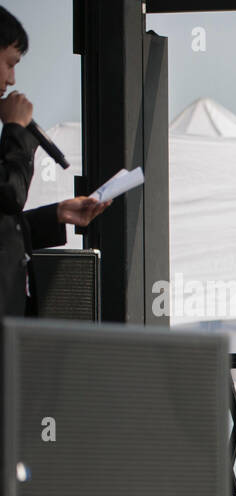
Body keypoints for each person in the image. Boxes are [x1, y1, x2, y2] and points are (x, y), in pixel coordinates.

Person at [0, 7, 110, 316]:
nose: (11, 79)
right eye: (9, 64)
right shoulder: (11, 132)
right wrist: (16, 131)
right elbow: (10, 194)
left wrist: (57, 213)